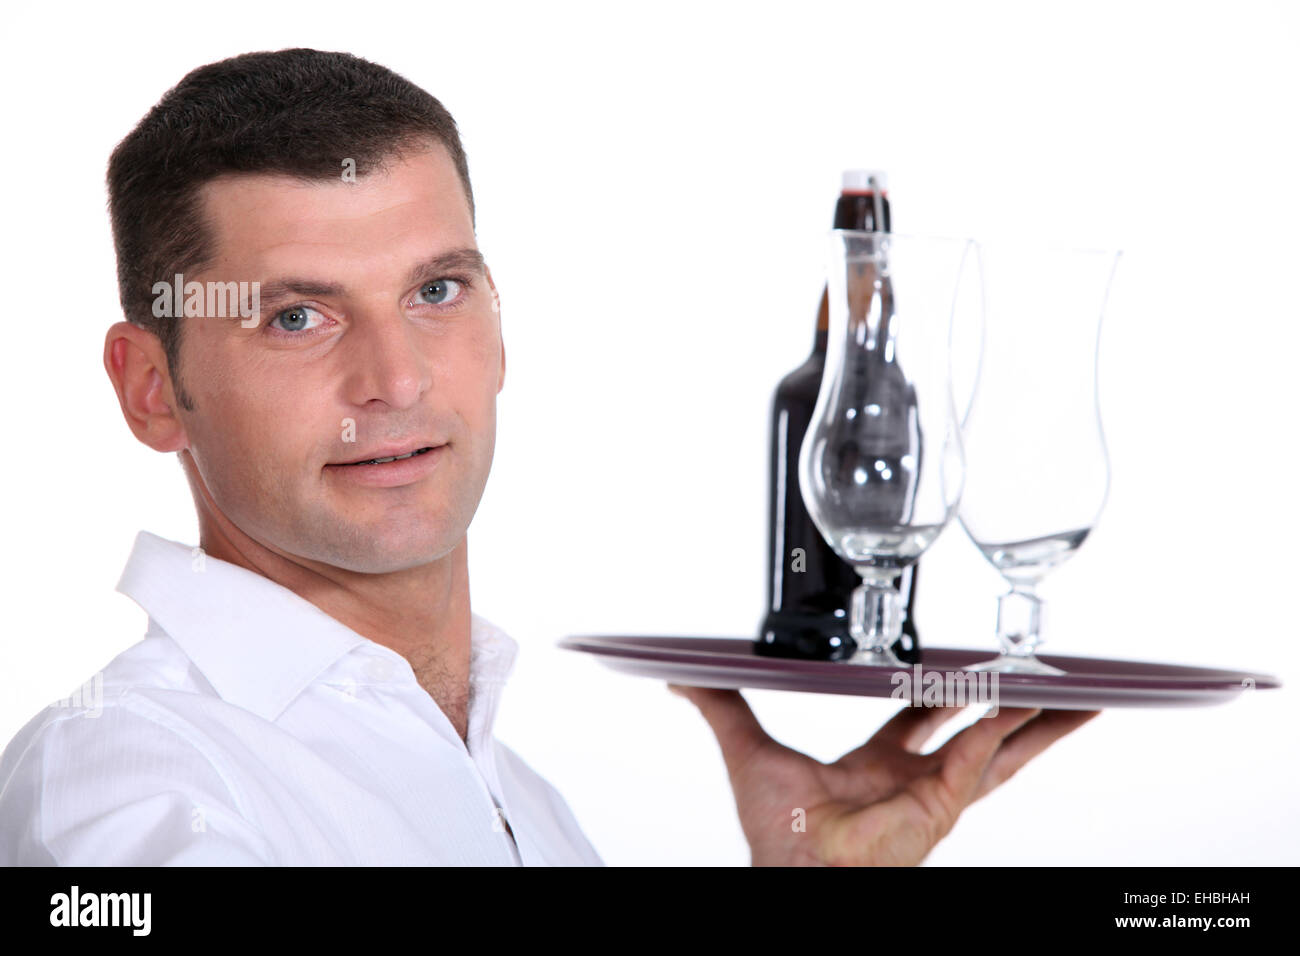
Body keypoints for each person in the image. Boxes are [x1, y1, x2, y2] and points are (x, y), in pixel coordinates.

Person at [0, 48, 1098, 866]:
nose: (396, 378)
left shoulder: (517, 794)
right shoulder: (126, 783)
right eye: (297, 317)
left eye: (435, 292)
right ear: (153, 390)